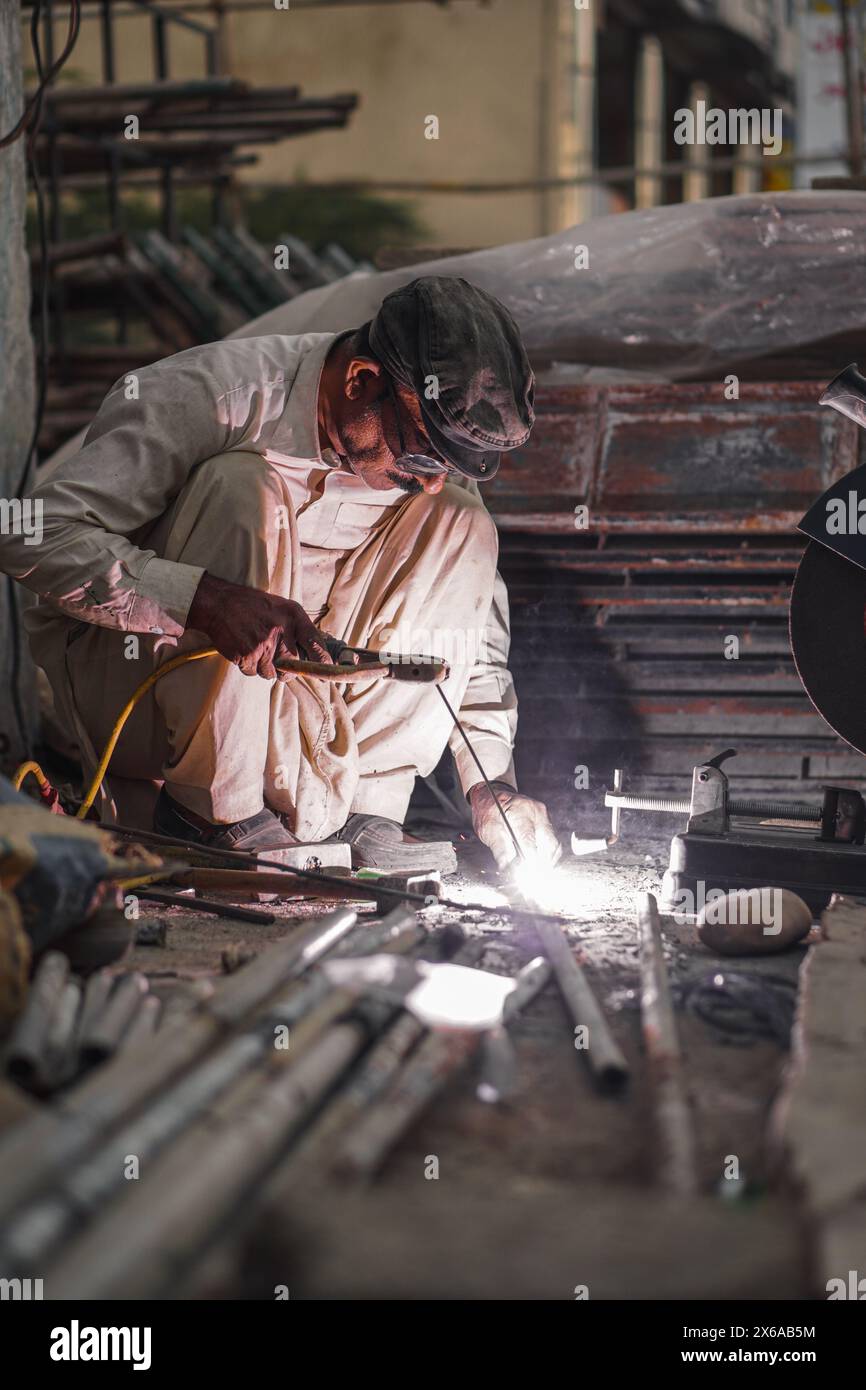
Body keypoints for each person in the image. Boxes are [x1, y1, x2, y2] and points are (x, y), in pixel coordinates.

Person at [0, 276, 559, 871]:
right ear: (360, 381)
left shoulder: (425, 465)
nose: (428, 478)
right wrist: (203, 602)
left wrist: (491, 783)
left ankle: (368, 810)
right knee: (239, 486)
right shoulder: (212, 396)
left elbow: (469, 633)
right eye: (422, 454)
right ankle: (211, 812)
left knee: (462, 522)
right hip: (137, 686)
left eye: (444, 462)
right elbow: (28, 531)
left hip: (306, 717)